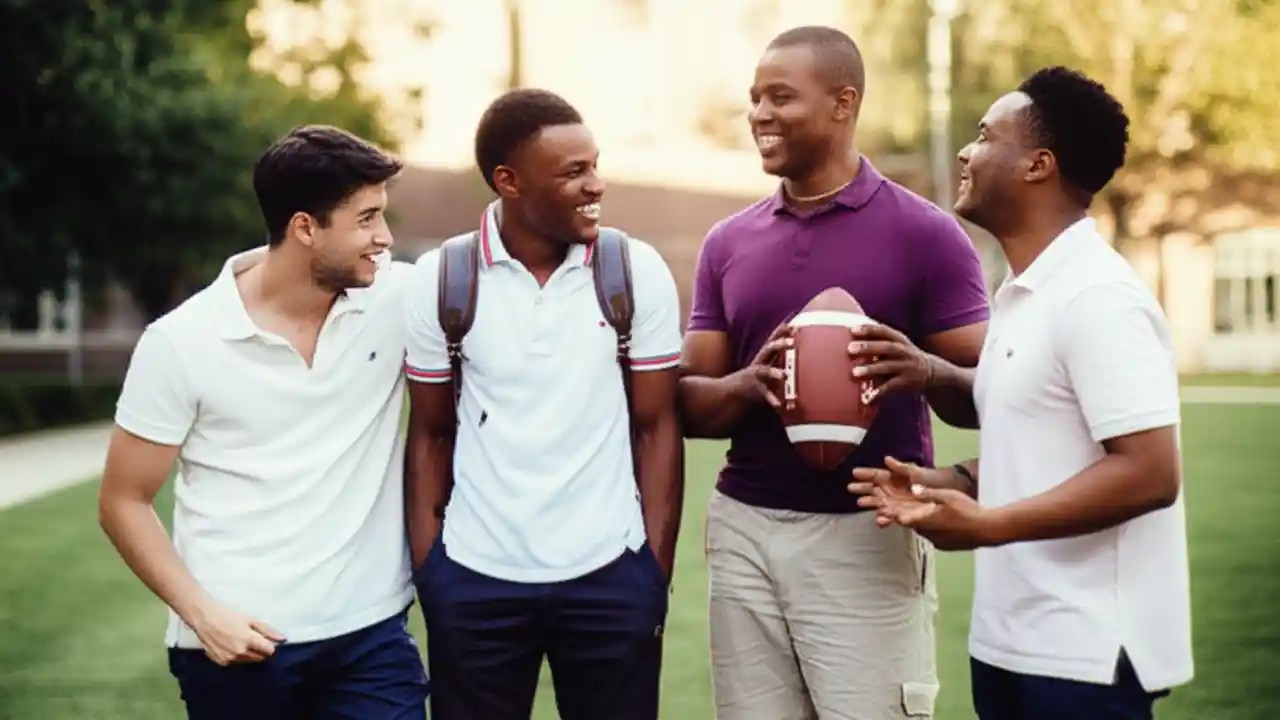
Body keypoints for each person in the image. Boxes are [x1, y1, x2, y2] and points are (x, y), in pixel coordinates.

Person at [850, 66, 1193, 720]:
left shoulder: (1099, 297)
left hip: (1085, 659)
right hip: (1011, 646)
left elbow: (1150, 472)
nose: (965, 152)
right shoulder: (1024, 294)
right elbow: (1045, 446)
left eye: (984, 136)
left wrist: (989, 524)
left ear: (1038, 165)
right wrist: (941, 480)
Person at [678, 25, 991, 720]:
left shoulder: (925, 233)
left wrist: (927, 370)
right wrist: (748, 383)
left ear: (843, 103)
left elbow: (995, 398)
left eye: (781, 97)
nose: (759, 113)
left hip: (867, 530)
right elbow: (689, 406)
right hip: (744, 527)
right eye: (755, 98)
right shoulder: (728, 242)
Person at [98, 125, 429, 719]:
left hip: (370, 636)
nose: (384, 238)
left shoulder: (397, 298)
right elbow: (124, 499)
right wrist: (202, 615)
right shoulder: (181, 342)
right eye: (366, 218)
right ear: (304, 227)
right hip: (237, 647)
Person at [402, 88, 683, 720]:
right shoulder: (443, 280)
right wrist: (434, 576)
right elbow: (429, 436)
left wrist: (650, 576)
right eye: (573, 172)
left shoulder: (635, 272)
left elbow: (657, 425)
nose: (596, 185)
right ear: (508, 181)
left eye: (595, 164)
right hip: (476, 581)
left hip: (611, 576)